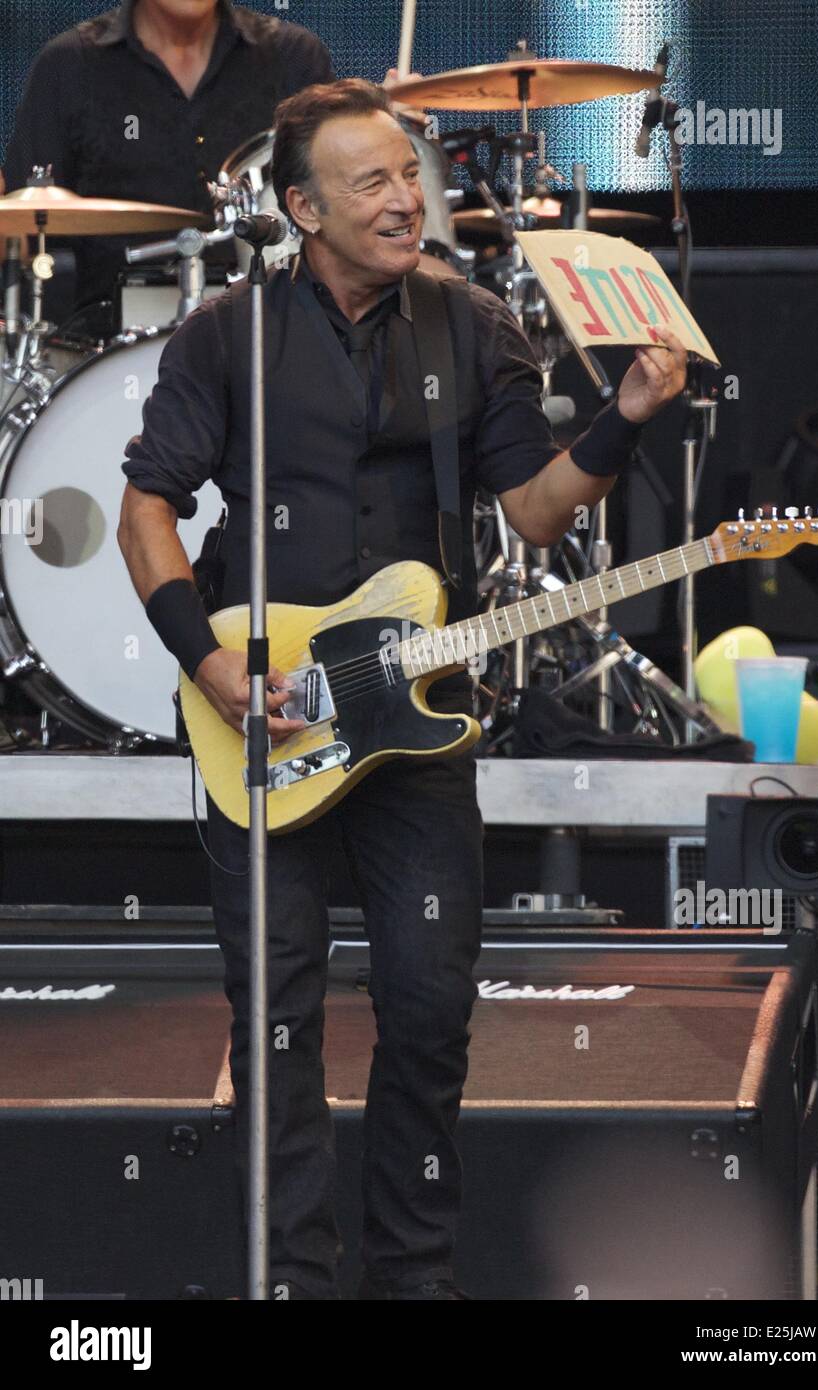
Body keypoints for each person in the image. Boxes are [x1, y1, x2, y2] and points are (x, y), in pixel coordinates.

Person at [117, 78, 687, 1300]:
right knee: (275, 1020)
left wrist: (623, 416)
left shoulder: (468, 321)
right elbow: (146, 510)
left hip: (419, 724)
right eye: (367, 181)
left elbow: (532, 507)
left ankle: (412, 1280)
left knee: (428, 1010)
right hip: (263, 717)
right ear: (299, 208)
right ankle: (291, 1283)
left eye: (405, 176)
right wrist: (209, 668)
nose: (401, 199)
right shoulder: (227, 331)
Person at [0, 0, 334, 321]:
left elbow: (338, 206)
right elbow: (23, 227)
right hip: (106, 348)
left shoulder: (293, 57)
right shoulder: (70, 64)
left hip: (275, 325)